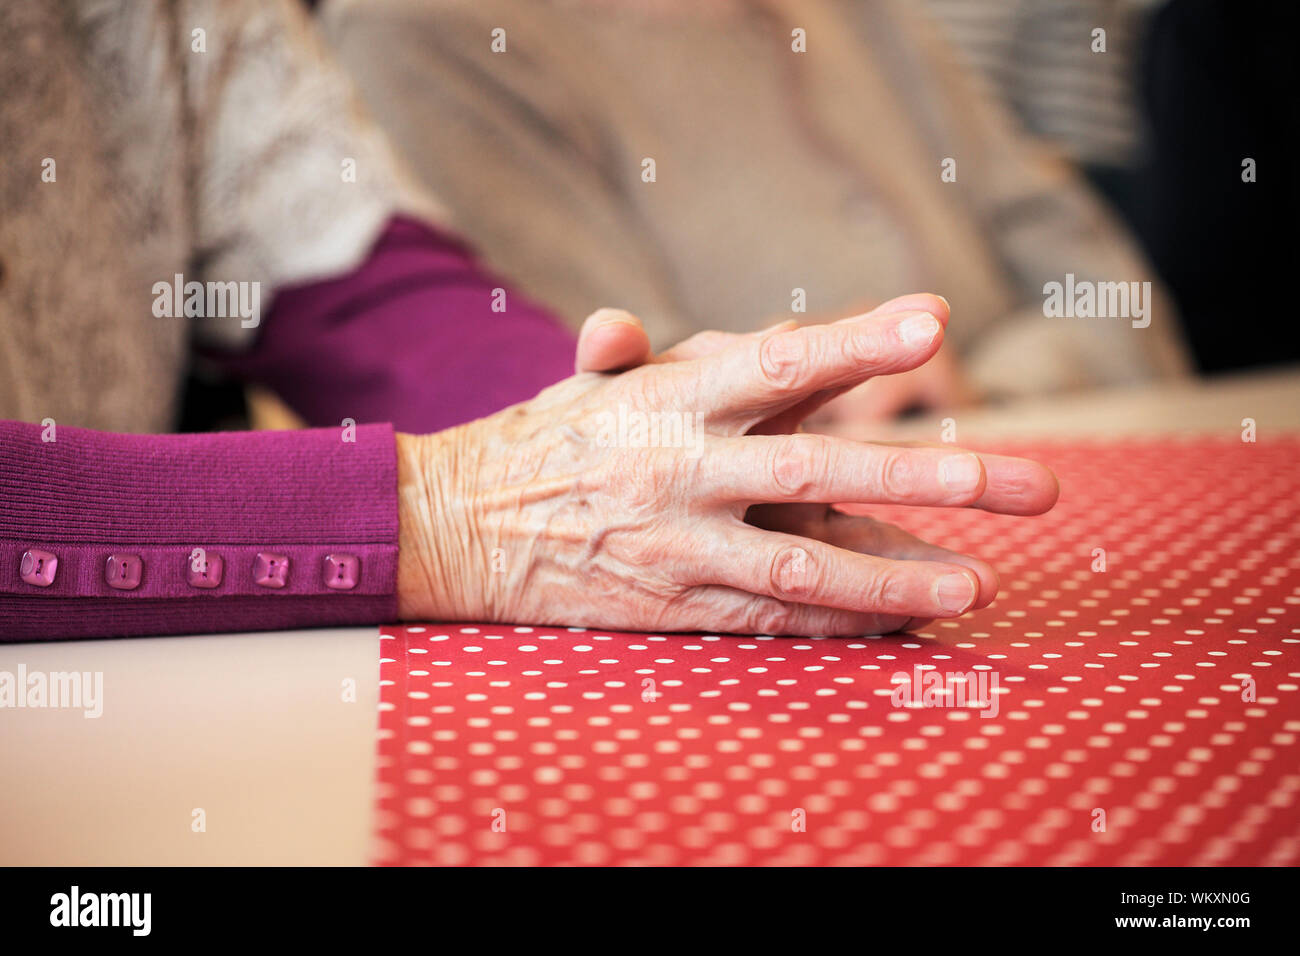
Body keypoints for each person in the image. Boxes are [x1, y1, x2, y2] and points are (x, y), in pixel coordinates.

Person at [318, 0, 1191, 423]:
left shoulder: (856, 13)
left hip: (1056, 498)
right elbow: (618, 407)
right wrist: (838, 397)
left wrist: (988, 387)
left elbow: (1114, 302)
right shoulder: (433, 37)